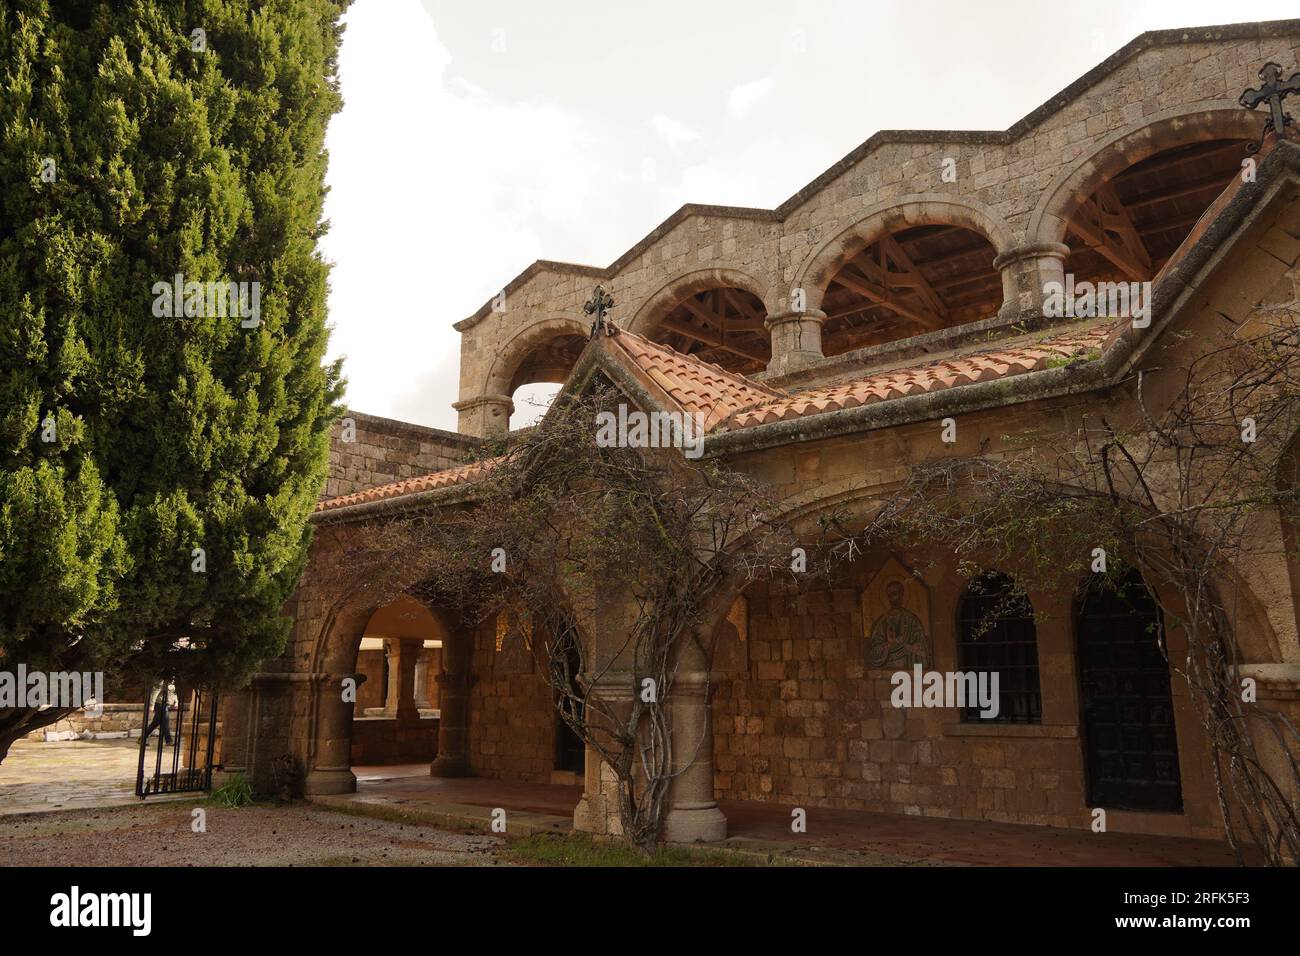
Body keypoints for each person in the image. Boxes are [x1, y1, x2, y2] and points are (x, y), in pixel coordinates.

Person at [144, 681, 173, 745]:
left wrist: (176, 701)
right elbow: (155, 692)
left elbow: (173, 693)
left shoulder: (172, 681)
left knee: (155, 723)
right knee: (165, 721)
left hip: (166, 704)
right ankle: (169, 741)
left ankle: (142, 738)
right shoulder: (162, 681)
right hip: (159, 704)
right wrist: (152, 705)